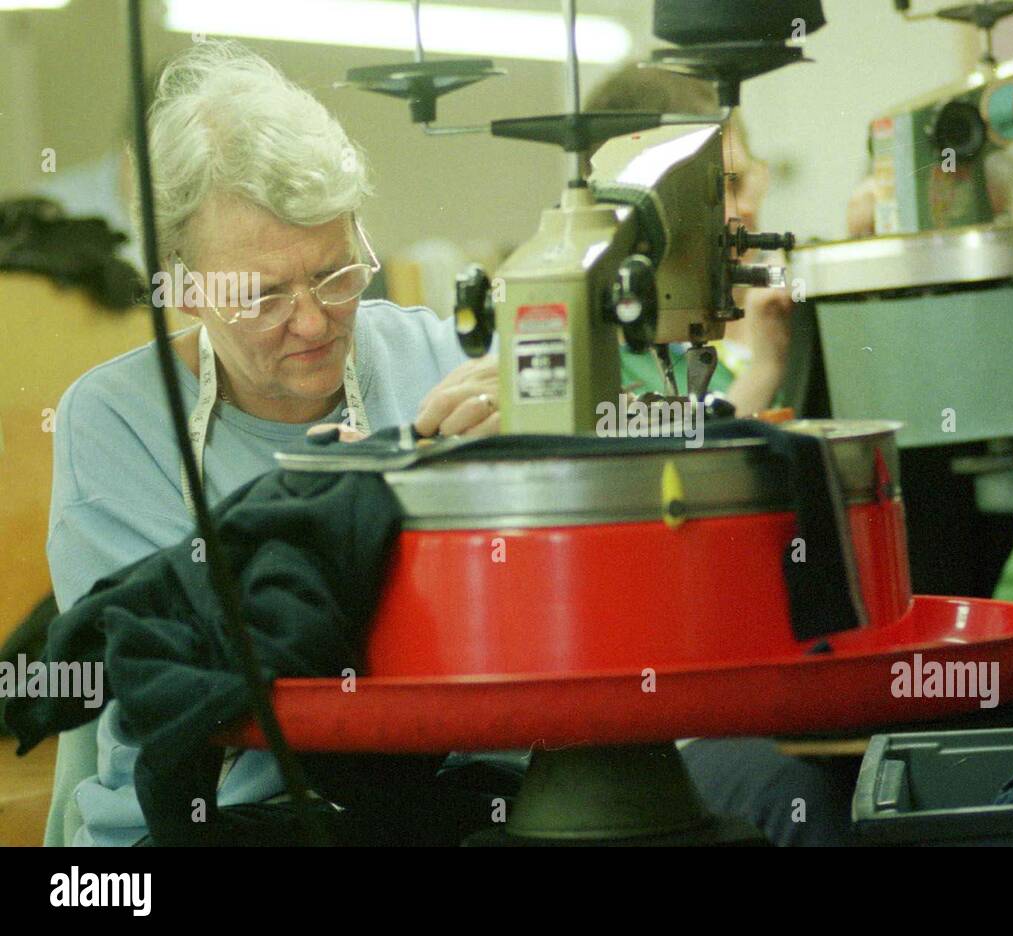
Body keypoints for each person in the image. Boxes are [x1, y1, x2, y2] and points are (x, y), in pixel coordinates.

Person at [42, 41, 853, 846]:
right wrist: (386, 482)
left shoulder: (437, 358)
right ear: (182, 282)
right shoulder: (115, 423)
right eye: (263, 295)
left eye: (336, 273)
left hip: (445, 802)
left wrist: (535, 460)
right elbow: (178, 674)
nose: (316, 320)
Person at [584, 64, 795, 416]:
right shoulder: (605, 363)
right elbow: (683, 465)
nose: (741, 208)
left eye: (742, 182)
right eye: (718, 189)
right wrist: (765, 369)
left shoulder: (778, 308)